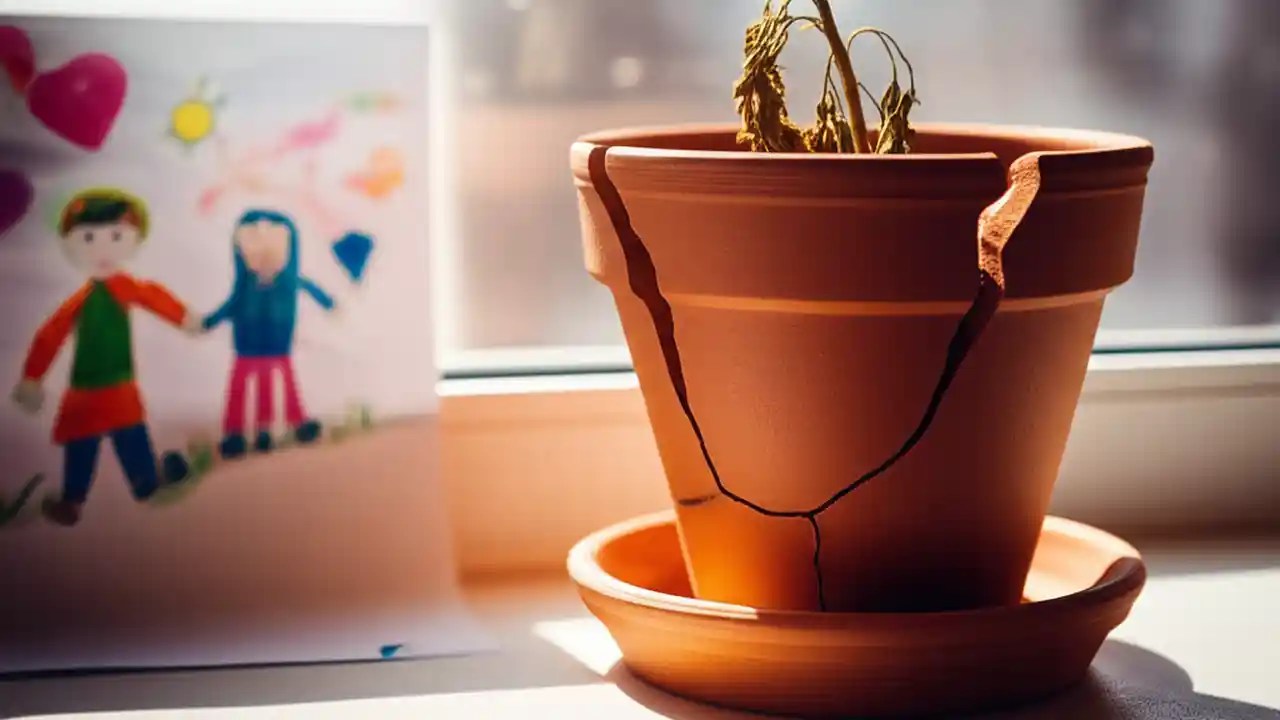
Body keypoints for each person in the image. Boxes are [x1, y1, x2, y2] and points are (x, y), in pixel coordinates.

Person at [11, 188, 199, 527]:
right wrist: (32, 377)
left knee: (129, 435)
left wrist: (182, 316)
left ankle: (144, 483)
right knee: (84, 444)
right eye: (88, 238)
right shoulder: (81, 300)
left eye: (115, 237)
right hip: (85, 392)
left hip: (115, 388)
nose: (102, 249)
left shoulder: (121, 287)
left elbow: (151, 295)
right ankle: (74, 499)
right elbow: (51, 334)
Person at [202, 209, 336, 458]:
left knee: (278, 384)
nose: (263, 254)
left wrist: (329, 303)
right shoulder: (245, 287)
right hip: (249, 344)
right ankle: (236, 432)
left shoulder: (288, 282)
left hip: (275, 342)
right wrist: (209, 321)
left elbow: (312, 289)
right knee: (242, 386)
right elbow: (231, 305)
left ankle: (270, 429)